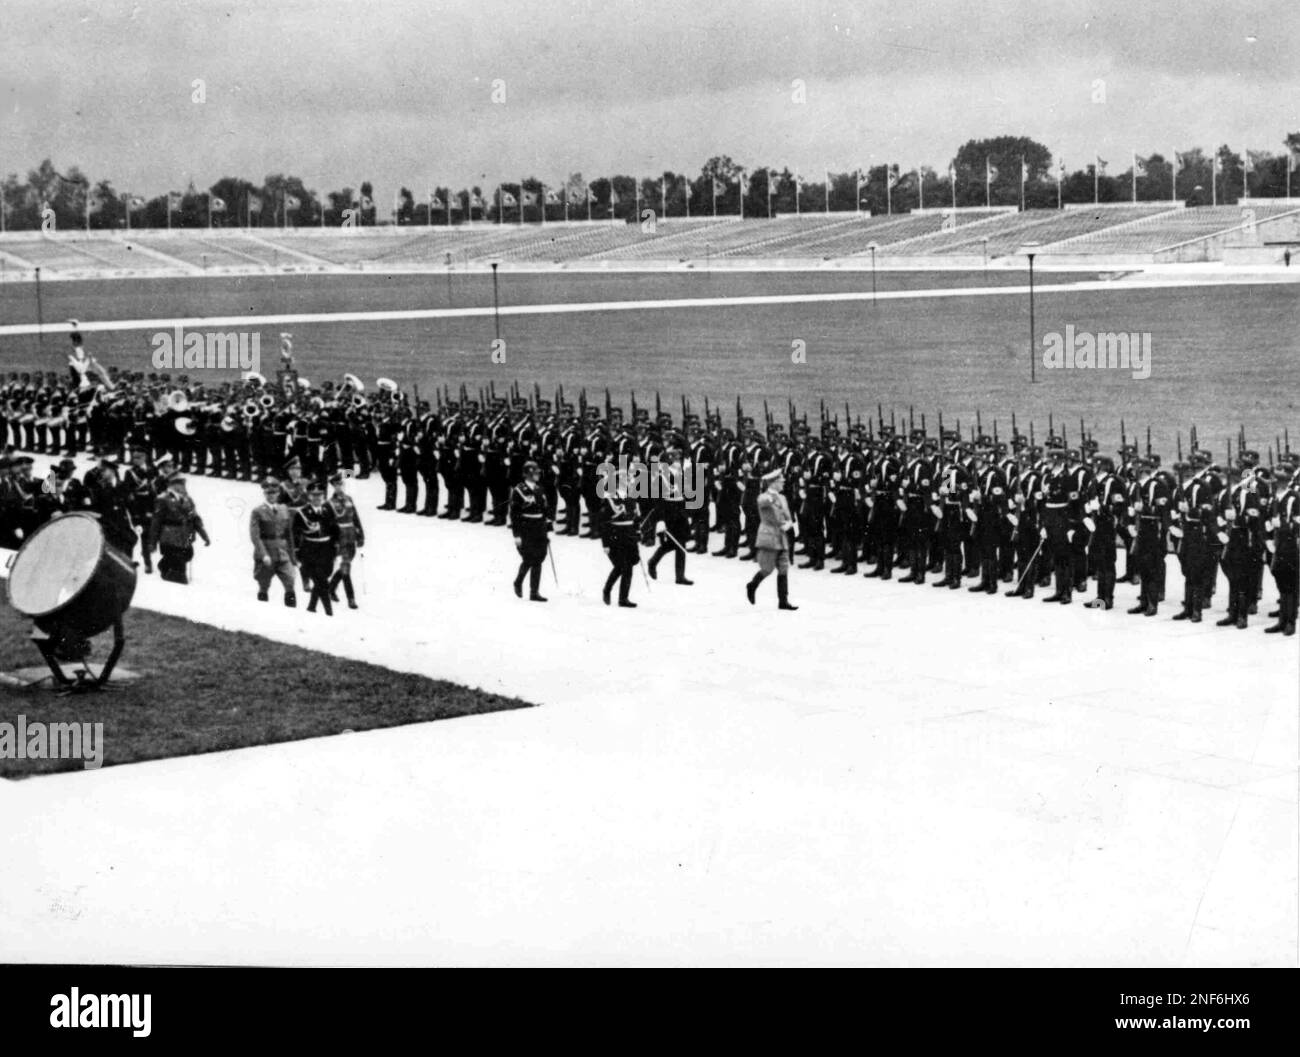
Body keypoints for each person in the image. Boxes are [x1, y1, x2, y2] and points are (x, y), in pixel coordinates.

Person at [745, 468, 798, 610]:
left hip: (782, 537)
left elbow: (788, 517)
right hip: (769, 536)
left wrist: (789, 524)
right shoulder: (764, 497)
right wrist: (770, 497)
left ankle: (783, 601)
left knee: (783, 569)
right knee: (767, 569)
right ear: (773, 483)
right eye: (780, 481)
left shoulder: (783, 497)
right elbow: (763, 501)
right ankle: (752, 585)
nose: (783, 483)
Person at [147, 471, 209, 583]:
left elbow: (195, 518)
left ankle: (165, 567)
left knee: (187, 555)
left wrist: (204, 536)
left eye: (183, 483)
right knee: (178, 565)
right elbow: (156, 522)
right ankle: (176, 580)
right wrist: (152, 542)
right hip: (169, 537)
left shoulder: (187, 499)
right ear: (171, 485)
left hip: (185, 536)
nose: (182, 486)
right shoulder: (163, 499)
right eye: (179, 483)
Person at [646, 449, 694, 586]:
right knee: (672, 543)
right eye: (676, 460)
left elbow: (684, 494)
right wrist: (660, 520)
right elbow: (657, 500)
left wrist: (687, 512)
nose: (679, 462)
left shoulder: (680, 474)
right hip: (668, 510)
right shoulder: (662, 477)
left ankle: (680, 576)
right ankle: (653, 561)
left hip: (680, 509)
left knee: (681, 542)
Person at [292, 480, 340, 615]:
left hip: (327, 550)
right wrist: (296, 552)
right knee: (322, 582)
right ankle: (329, 612)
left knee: (323, 579)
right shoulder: (302, 512)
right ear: (309, 496)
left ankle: (311, 607)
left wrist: (336, 546)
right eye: (314, 495)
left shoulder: (328, 510)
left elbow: (335, 530)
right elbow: (296, 534)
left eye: (320, 495)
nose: (317, 498)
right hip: (310, 550)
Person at [250, 477, 298, 606]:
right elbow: (255, 536)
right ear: (264, 494)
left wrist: (293, 556)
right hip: (267, 552)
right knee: (264, 585)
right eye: (268, 493)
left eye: (274, 492)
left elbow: (289, 534)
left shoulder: (284, 509)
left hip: (283, 553)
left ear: (278, 493)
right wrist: (263, 554)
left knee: (290, 582)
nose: (271, 496)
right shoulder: (258, 511)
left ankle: (292, 615)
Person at [509, 460, 551, 602]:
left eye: (537, 473)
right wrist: (516, 535)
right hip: (526, 527)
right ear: (527, 474)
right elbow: (514, 515)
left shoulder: (539, 489)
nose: (537, 475)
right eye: (534, 473)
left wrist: (548, 528)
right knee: (528, 558)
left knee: (539, 558)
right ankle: (518, 581)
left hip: (539, 527)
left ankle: (534, 592)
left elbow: (545, 510)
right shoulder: (519, 490)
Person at [600, 472, 640, 608]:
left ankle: (617, 595)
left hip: (629, 534)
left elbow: (635, 516)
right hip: (616, 535)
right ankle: (615, 594)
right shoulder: (610, 498)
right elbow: (603, 522)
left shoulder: (631, 496)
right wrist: (605, 543)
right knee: (624, 566)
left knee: (628, 565)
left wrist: (638, 530)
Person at [327, 472, 365, 609]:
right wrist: (333, 541)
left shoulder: (349, 499)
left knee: (346, 565)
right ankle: (351, 598)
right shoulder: (330, 503)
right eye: (336, 485)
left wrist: (361, 535)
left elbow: (355, 518)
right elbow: (329, 524)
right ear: (333, 486)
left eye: (341, 484)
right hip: (340, 538)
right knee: (346, 566)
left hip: (351, 536)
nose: (339, 487)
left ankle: (331, 588)